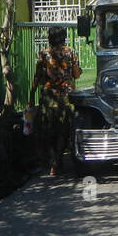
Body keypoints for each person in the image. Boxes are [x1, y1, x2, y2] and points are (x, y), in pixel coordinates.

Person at [28, 25, 82, 176]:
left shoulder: (44, 55)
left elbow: (37, 78)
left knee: (46, 129)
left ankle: (53, 160)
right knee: (63, 130)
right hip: (66, 96)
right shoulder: (70, 52)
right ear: (64, 37)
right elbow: (76, 75)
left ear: (50, 38)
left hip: (48, 97)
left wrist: (31, 96)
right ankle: (58, 160)